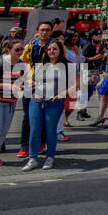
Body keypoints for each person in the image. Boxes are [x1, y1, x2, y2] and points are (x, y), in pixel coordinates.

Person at [23, 40, 78, 171]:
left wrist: (62, 94)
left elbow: (76, 84)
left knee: (50, 130)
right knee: (35, 129)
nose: (51, 51)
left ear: (60, 51)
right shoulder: (41, 65)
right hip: (36, 100)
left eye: (54, 49)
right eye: (49, 49)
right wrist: (32, 85)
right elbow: (33, 80)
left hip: (54, 102)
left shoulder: (67, 66)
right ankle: (33, 159)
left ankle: (50, 157)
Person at [16, 20, 53, 159]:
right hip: (30, 83)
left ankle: (41, 143)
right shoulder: (31, 45)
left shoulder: (54, 46)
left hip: (47, 85)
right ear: (37, 31)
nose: (44, 32)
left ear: (51, 32)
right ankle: (24, 145)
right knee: (27, 116)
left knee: (43, 115)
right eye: (42, 30)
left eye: (47, 30)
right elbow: (22, 62)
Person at [0, 40, 26, 165]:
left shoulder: (21, 65)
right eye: (17, 50)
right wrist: (10, 86)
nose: (20, 52)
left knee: (4, 130)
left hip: (10, 102)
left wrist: (25, 85)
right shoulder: (0, 63)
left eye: (21, 50)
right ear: (9, 49)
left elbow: (21, 82)